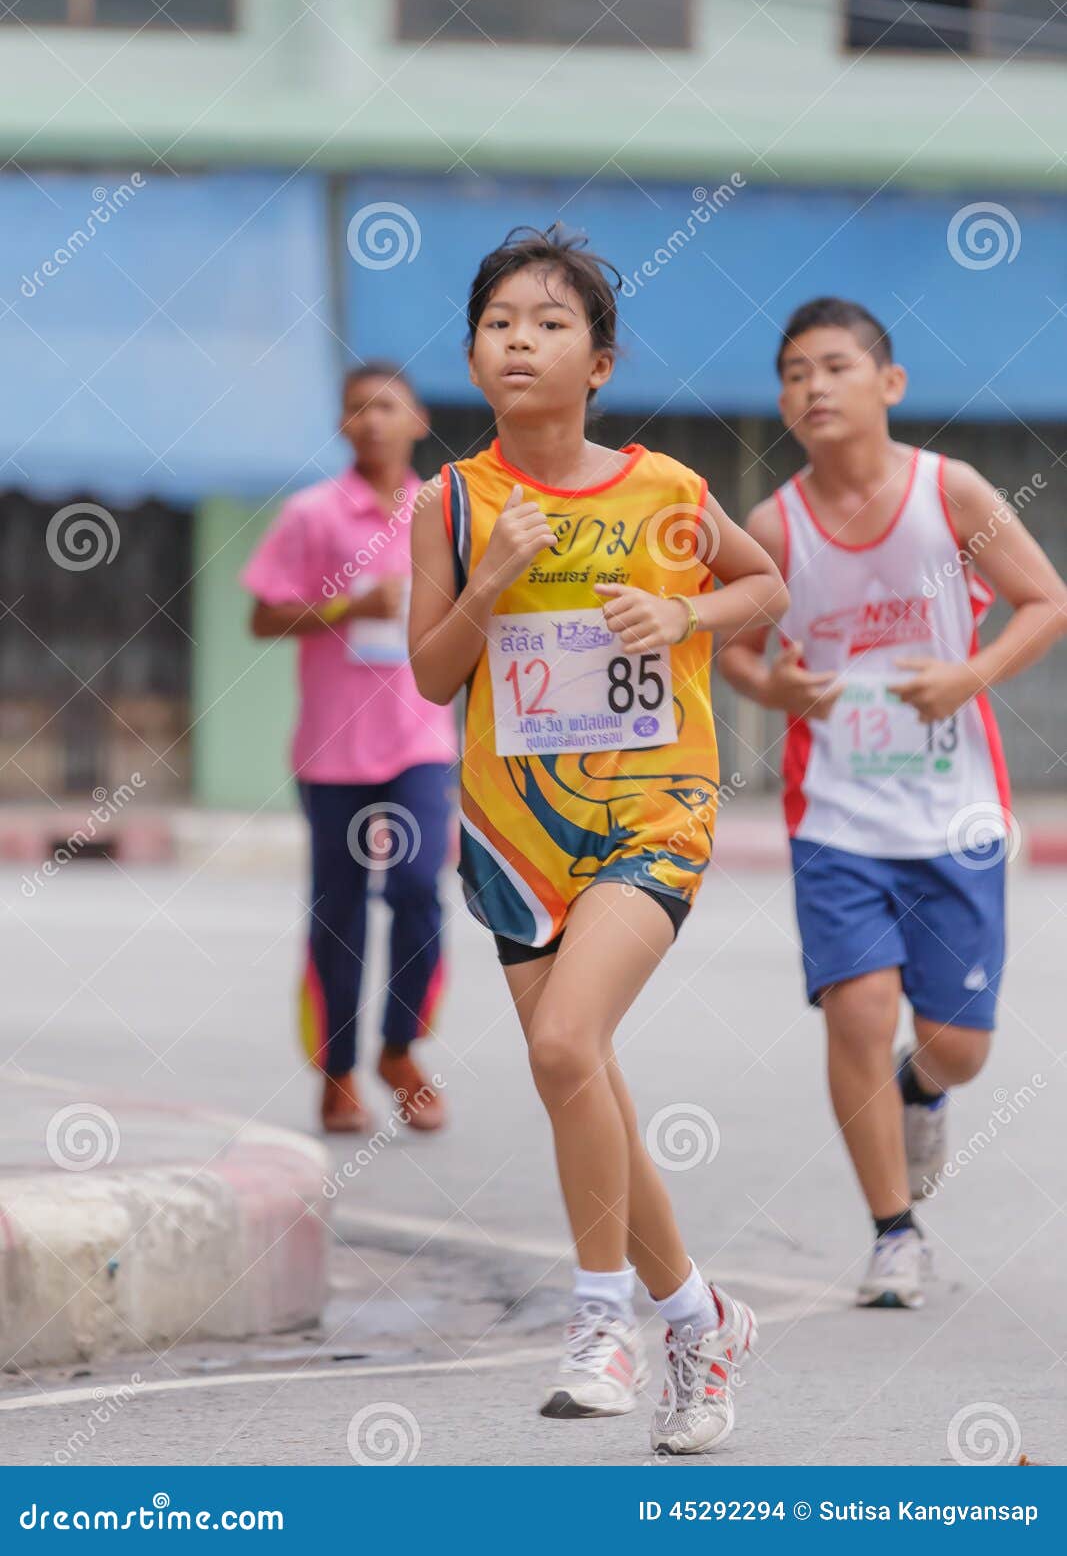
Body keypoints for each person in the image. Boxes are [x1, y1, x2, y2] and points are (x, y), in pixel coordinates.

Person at [408, 225, 787, 1455]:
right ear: (472, 355)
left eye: (549, 321)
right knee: (584, 1081)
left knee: (566, 1044)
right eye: (500, 321)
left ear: (600, 362)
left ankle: (599, 1319)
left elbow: (763, 587)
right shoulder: (454, 500)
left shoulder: (663, 488)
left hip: (652, 803)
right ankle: (700, 1316)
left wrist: (679, 607)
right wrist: (487, 583)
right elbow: (428, 676)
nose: (520, 338)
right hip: (512, 830)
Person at [718, 297, 1067, 1308]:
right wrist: (771, 688)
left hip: (952, 812)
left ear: (888, 384)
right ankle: (891, 1233)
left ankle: (921, 1089)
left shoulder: (948, 492)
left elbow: (1044, 598)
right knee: (858, 1009)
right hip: (832, 813)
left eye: (833, 366)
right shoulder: (769, 525)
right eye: (792, 373)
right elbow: (733, 646)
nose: (811, 387)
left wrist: (970, 674)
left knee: (956, 1042)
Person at [242, 363, 457, 1135]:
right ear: (340, 425)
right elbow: (261, 619)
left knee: (415, 890)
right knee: (337, 911)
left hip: (419, 743)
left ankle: (400, 1051)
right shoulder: (311, 514)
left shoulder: (446, 511)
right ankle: (336, 1073)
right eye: (356, 409)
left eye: (387, 406)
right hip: (331, 752)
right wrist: (346, 605)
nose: (371, 421)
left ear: (418, 419)